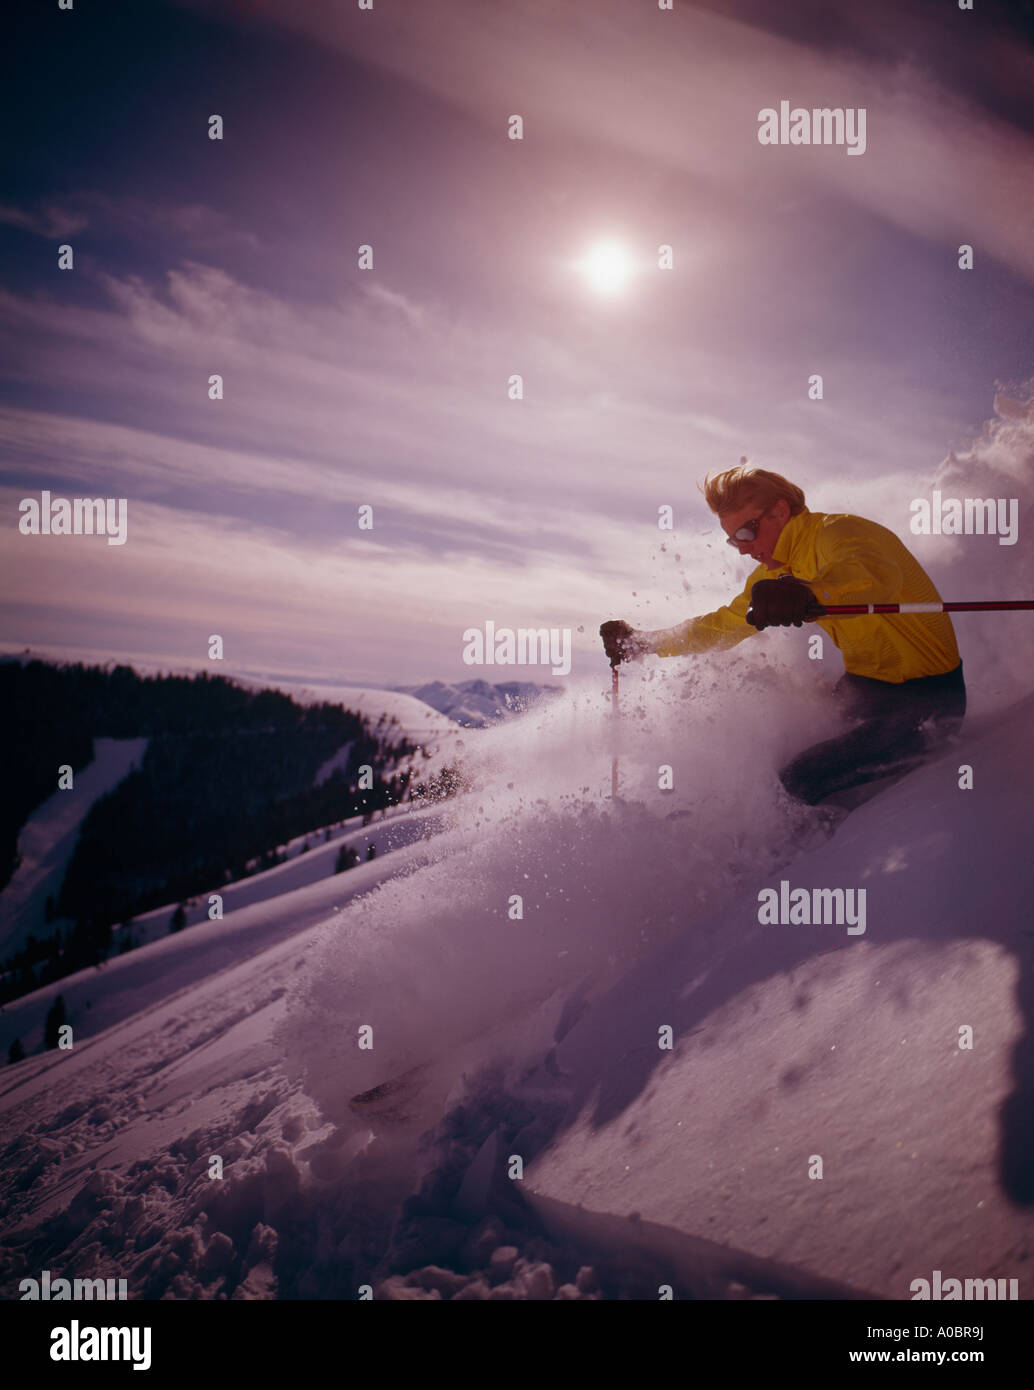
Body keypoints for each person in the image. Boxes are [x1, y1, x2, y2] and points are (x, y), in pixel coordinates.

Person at [600, 464, 966, 806]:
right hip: (865, 687)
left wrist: (811, 593)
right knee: (777, 750)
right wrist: (643, 643)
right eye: (733, 540)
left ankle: (814, 857)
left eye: (746, 532)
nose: (742, 548)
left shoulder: (838, 532)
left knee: (797, 780)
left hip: (927, 699)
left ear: (779, 511)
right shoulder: (772, 575)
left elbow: (874, 577)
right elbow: (721, 626)